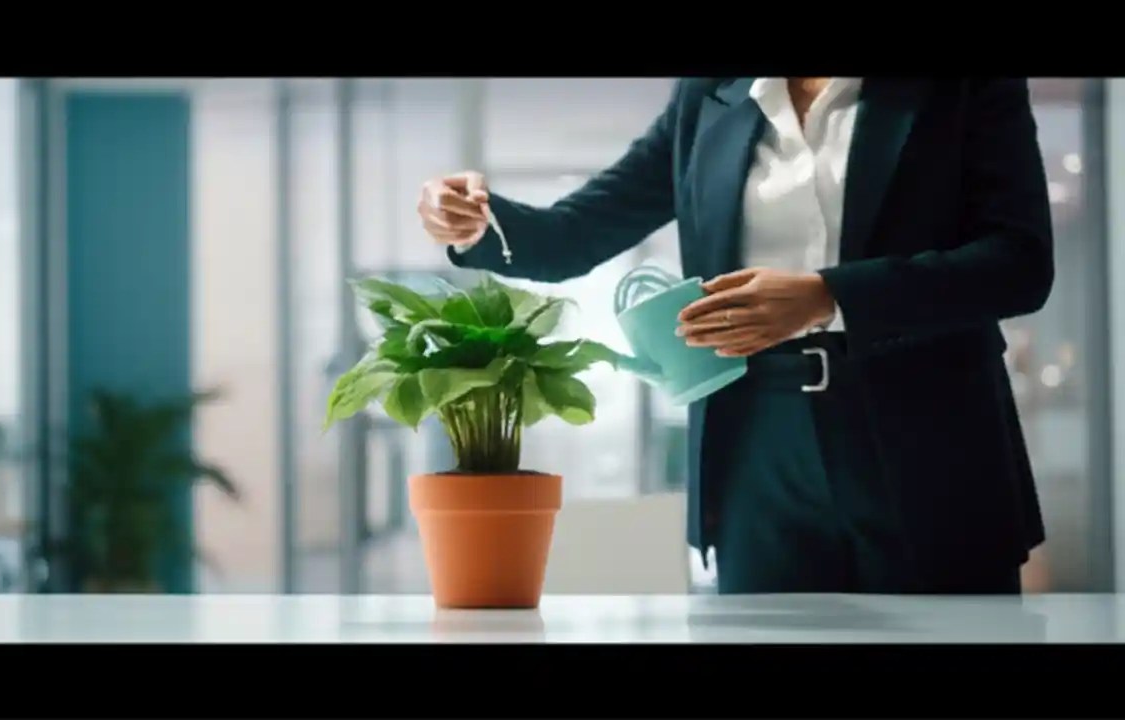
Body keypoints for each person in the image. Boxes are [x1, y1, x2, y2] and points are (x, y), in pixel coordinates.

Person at [418, 78, 1053, 595]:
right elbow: (575, 233)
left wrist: (826, 295)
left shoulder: (965, 87)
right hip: (754, 440)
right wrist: (476, 222)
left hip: (929, 435)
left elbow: (1019, 263)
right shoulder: (710, 95)